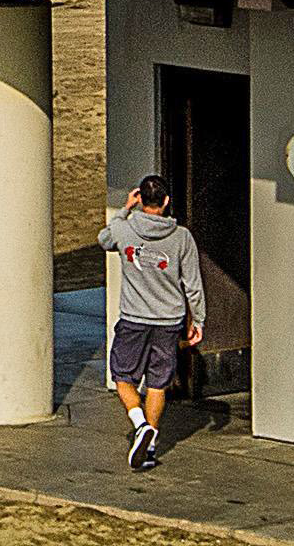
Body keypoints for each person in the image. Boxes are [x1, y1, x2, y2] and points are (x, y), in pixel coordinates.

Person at [98, 172, 204, 471]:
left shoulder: (124, 229)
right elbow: (193, 285)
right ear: (167, 201)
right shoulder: (182, 237)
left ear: (141, 199)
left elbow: (103, 239)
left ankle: (139, 423)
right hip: (169, 321)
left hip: (134, 319)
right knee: (158, 383)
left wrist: (124, 210)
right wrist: (199, 320)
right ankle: (151, 444)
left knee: (122, 376)